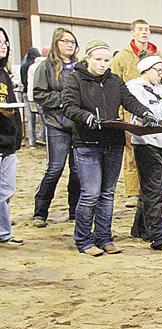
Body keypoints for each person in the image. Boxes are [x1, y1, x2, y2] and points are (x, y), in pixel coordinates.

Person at [61, 40, 157, 256]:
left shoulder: (115, 80)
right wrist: (87, 118)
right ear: (88, 58)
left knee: (107, 194)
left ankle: (104, 238)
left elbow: (129, 101)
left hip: (113, 143)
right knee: (90, 194)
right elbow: (68, 106)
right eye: (98, 60)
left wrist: (145, 113)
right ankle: (84, 240)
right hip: (87, 144)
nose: (103, 64)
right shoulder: (75, 79)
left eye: (106, 60)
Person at [111, 19, 162, 209]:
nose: (144, 32)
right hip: (130, 111)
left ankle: (153, 191)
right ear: (133, 32)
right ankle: (132, 192)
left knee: (154, 152)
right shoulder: (121, 57)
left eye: (147, 29)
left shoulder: (158, 54)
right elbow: (115, 84)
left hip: (155, 109)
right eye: (140, 29)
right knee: (131, 152)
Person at [127, 56, 162, 251]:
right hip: (147, 142)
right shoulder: (134, 87)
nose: (161, 74)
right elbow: (146, 112)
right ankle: (159, 237)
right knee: (153, 191)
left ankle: (140, 228)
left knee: (155, 189)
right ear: (145, 69)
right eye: (157, 70)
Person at [31, 28, 80, 227]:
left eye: (73, 42)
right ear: (56, 43)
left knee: (77, 171)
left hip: (77, 125)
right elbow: (39, 94)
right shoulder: (46, 67)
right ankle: (40, 211)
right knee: (55, 168)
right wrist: (64, 100)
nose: (70, 45)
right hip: (56, 124)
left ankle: (75, 210)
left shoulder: (80, 67)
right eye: (66, 41)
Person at [0, 27, 23, 247]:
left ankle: (4, 232)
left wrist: (17, 137)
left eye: (5, 42)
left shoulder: (4, 74)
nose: (3, 45)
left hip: (7, 142)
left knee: (6, 190)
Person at [21, 47, 45, 147]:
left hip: (27, 93)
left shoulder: (25, 66)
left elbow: (24, 81)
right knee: (44, 119)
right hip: (38, 95)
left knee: (31, 120)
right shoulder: (41, 66)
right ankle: (42, 137)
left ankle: (32, 141)